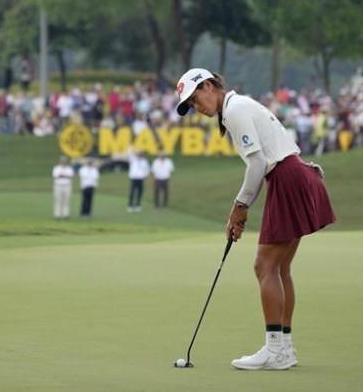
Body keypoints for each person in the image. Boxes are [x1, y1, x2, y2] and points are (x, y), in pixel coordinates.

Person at [175, 68, 336, 372]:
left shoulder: (234, 110)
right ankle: (284, 348)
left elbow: (258, 163)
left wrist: (240, 206)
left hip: (288, 177)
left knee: (264, 266)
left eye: (195, 99)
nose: (196, 107)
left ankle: (275, 350)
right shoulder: (237, 108)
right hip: (295, 175)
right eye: (190, 106)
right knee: (279, 267)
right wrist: (242, 207)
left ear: (209, 86)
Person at [126, 148, 150, 212]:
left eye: (141, 154)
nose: (140, 155)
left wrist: (146, 176)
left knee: (140, 192)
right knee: (132, 192)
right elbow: (129, 153)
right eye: (139, 154)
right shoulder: (133, 159)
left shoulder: (144, 161)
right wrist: (131, 144)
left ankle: (138, 205)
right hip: (134, 178)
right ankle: (130, 205)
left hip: (141, 179)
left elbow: (147, 170)